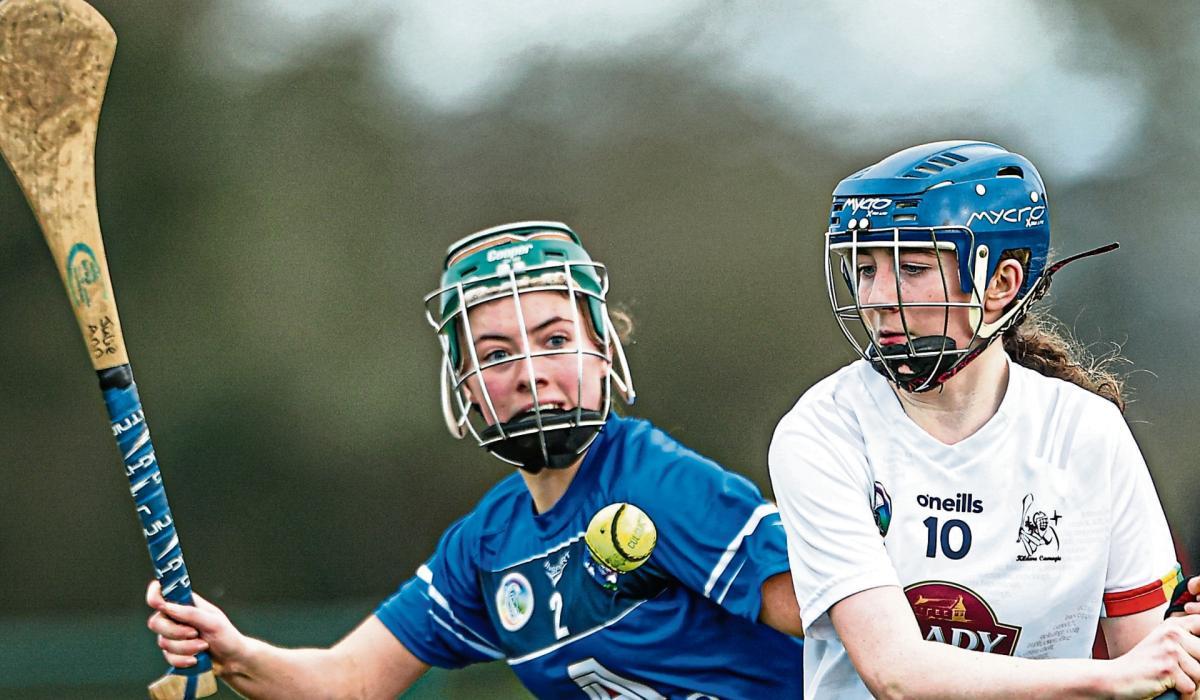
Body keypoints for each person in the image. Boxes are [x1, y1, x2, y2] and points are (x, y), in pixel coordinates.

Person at [148, 221, 804, 698]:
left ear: (603, 353)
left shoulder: (662, 485)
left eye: (553, 340)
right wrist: (233, 651)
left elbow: (837, 620)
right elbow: (349, 683)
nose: (529, 373)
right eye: (494, 354)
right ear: (462, 385)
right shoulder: (487, 546)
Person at [768, 140, 1200, 699]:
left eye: (914, 267)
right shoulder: (822, 432)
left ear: (1001, 284)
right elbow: (896, 674)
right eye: (865, 268)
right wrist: (1115, 679)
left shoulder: (1089, 433)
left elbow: (1151, 663)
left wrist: (1184, 655)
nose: (876, 298)